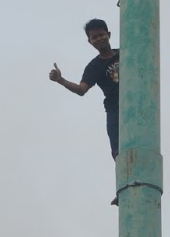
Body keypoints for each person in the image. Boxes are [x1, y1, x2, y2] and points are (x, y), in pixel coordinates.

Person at [49, 19, 120, 161]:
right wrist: (60, 80)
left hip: (136, 102)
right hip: (115, 110)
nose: (99, 39)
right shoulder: (93, 67)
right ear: (90, 41)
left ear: (109, 34)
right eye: (94, 37)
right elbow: (81, 89)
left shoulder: (128, 53)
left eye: (101, 34)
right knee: (118, 151)